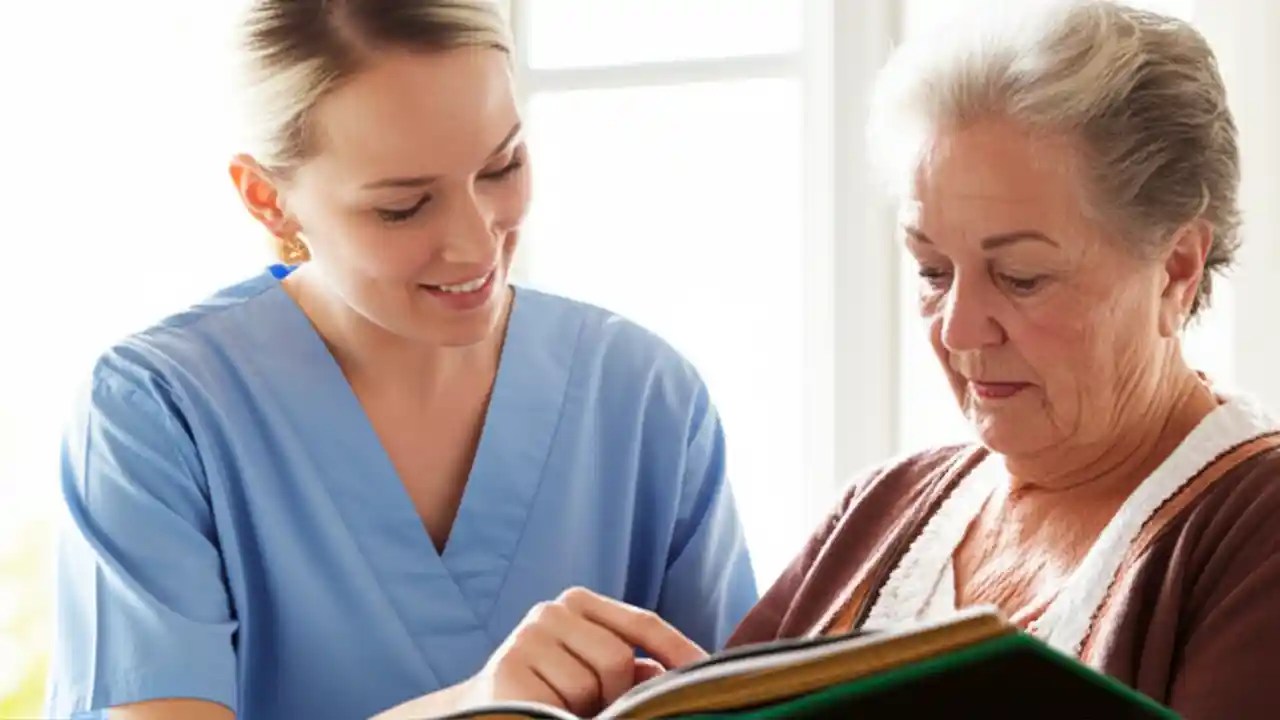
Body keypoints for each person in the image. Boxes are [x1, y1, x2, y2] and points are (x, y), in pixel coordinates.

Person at [44, 2, 756, 719]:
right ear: (268, 201)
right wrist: (472, 708)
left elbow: (757, 699)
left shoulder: (643, 399)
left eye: (501, 166)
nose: (478, 246)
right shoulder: (156, 418)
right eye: (404, 208)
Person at [728, 2, 1280, 718]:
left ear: (1176, 269)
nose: (959, 331)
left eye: (1021, 277)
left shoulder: (1254, 537)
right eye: (932, 271)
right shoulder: (877, 512)